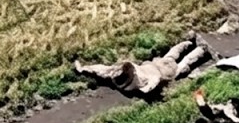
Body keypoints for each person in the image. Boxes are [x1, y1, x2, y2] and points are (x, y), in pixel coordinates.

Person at [75, 33, 210, 97]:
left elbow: (101, 70)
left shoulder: (114, 73)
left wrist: (84, 68)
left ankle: (188, 42)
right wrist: (158, 82)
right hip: (167, 72)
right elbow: (151, 85)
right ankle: (201, 49)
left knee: (172, 53)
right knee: (185, 62)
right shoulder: (137, 84)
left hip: (158, 63)